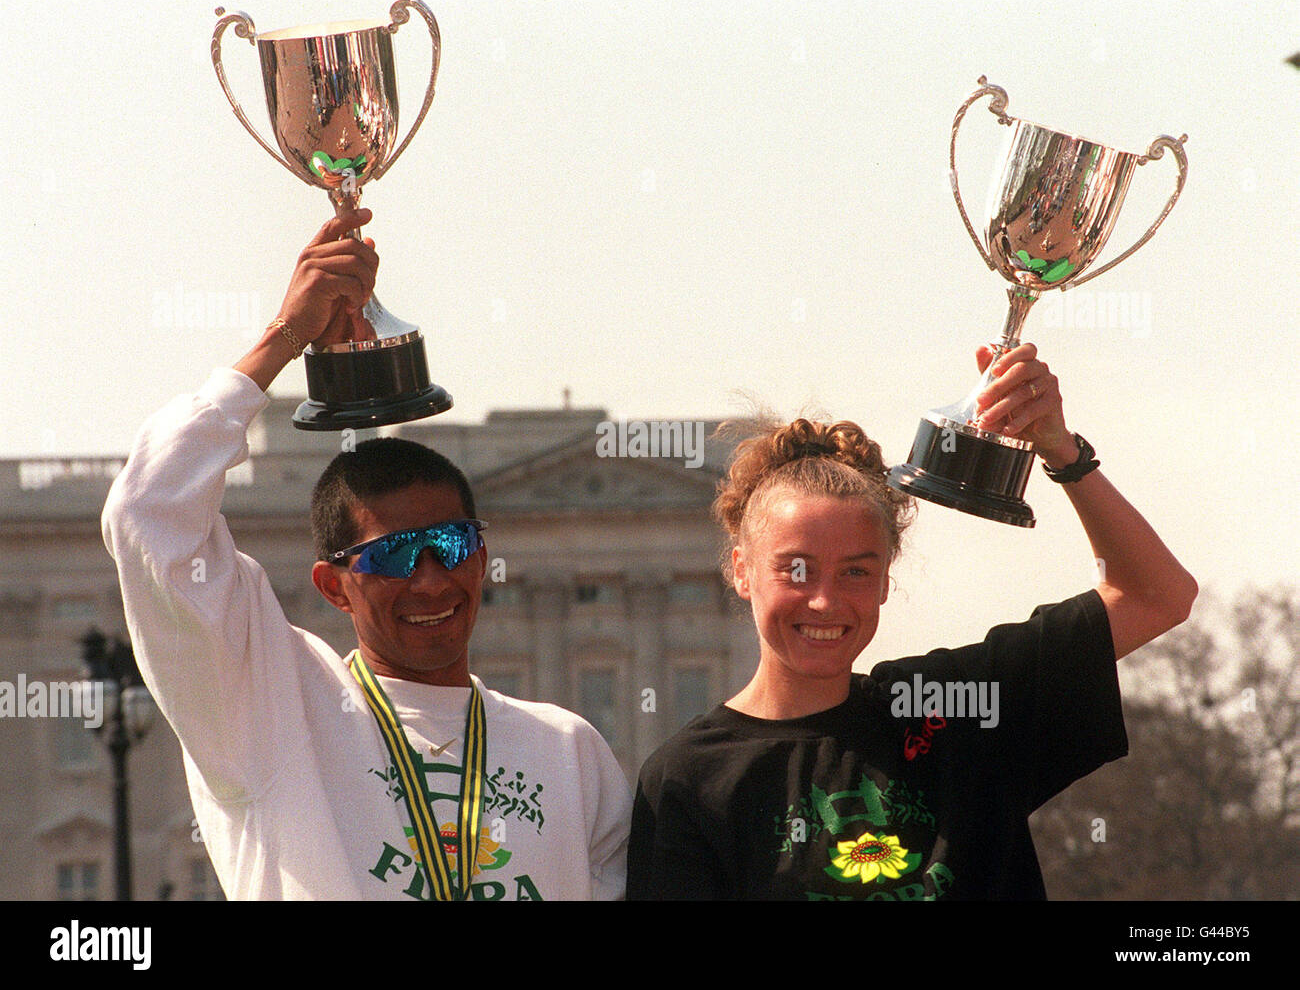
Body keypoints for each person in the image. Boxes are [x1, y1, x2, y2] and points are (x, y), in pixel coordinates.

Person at [102, 209, 631, 900]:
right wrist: (285, 337)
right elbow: (148, 509)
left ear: (481, 556)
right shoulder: (269, 710)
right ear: (333, 584)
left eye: (451, 545)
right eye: (393, 557)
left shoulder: (571, 753)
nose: (430, 579)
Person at [626, 344, 1197, 900]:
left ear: (884, 580)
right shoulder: (686, 781)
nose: (825, 601)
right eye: (797, 571)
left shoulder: (953, 707)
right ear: (742, 571)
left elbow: (1158, 595)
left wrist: (1062, 452)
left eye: (855, 571)